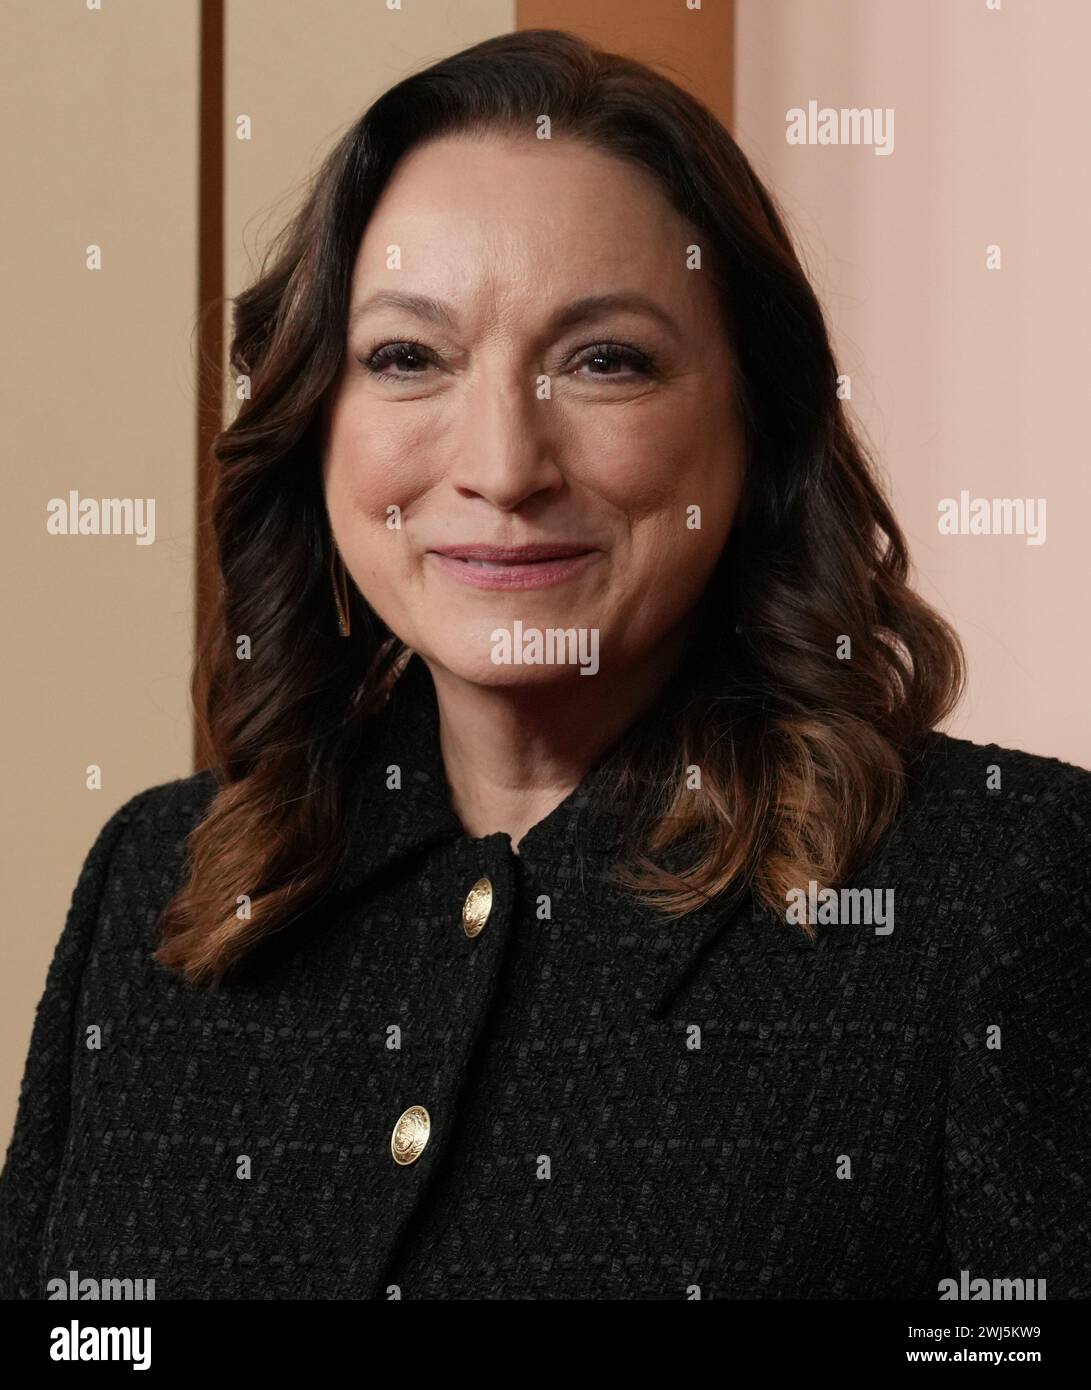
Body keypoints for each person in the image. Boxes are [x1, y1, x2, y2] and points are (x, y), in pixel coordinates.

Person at [1, 29, 1088, 1301]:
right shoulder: (161, 884)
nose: (503, 465)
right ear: (314, 422)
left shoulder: (1003, 892)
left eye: (603, 361)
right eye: (408, 357)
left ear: (758, 423)